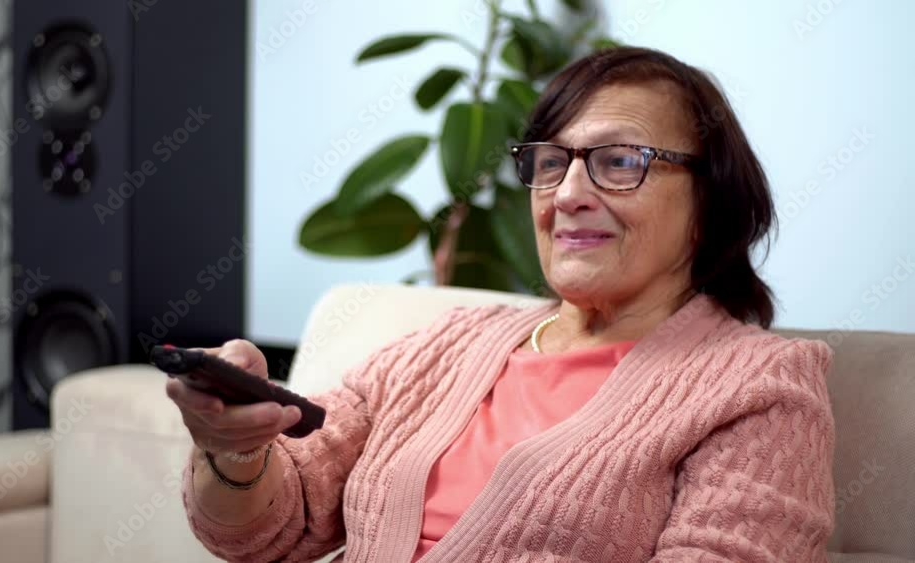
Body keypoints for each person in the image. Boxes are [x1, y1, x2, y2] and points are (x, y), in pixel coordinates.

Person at [168, 46, 835, 562]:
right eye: (552, 161)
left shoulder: (759, 389)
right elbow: (270, 528)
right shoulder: (447, 343)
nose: (568, 192)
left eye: (619, 160)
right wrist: (236, 455)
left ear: (708, 205)